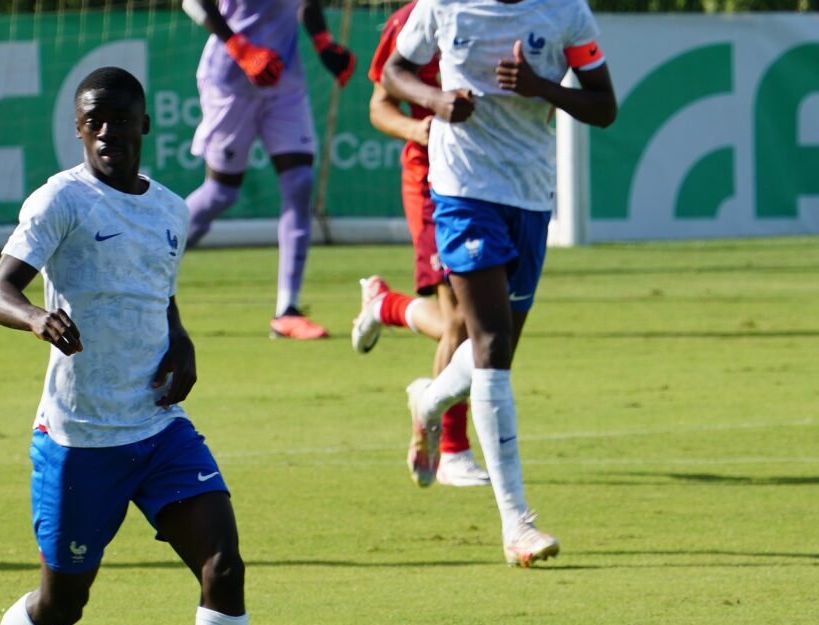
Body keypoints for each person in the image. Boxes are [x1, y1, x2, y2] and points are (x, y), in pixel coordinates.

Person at [0, 67, 290, 625]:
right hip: (79, 440)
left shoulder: (170, 211)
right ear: (80, 131)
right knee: (63, 604)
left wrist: (183, 341)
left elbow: (155, 293)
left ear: (145, 126)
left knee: (224, 566)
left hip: (158, 429)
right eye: (92, 120)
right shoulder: (61, 200)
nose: (106, 130)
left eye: (119, 118)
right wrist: (37, 318)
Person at [382, 0, 613, 565]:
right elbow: (394, 72)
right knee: (490, 346)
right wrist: (436, 101)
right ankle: (517, 526)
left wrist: (542, 87)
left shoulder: (566, 12)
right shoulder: (442, 5)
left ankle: (428, 403)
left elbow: (604, 106)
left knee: (495, 350)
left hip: (531, 195)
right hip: (461, 187)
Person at [349, 0, 486, 488]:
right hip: (431, 180)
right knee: (465, 321)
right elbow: (379, 105)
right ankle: (452, 449)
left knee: (476, 319)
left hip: (489, 181)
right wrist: (418, 128)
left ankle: (387, 305)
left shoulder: (503, 15)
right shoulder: (412, 20)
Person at [182, 0, 355, 340]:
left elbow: (307, 4)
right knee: (221, 193)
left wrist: (323, 43)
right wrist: (239, 47)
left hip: (283, 80)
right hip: (230, 78)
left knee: (300, 183)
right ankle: (144, 258)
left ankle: (287, 310)